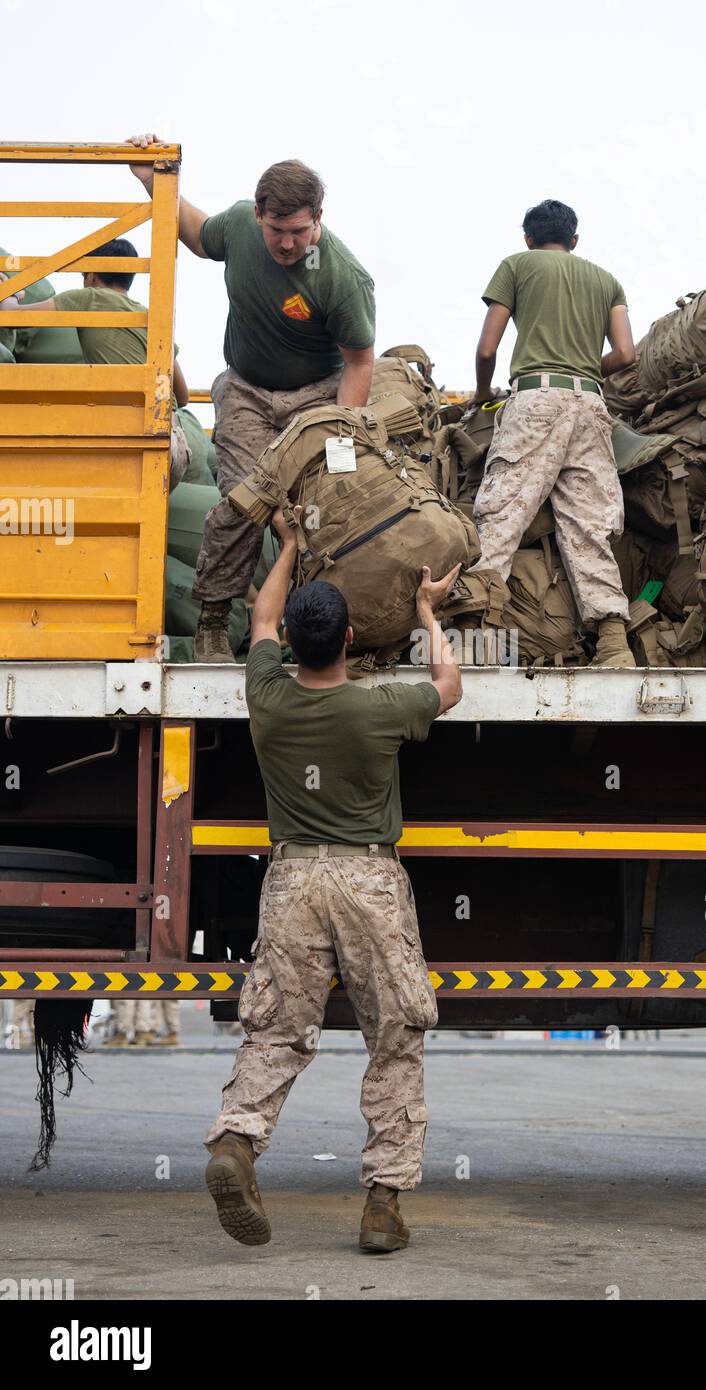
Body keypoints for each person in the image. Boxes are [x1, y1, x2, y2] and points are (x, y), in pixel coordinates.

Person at [202, 508, 462, 1253]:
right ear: (349, 639)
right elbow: (448, 685)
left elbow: (257, 615)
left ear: (290, 640)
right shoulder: (380, 707)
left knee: (277, 1030)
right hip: (367, 880)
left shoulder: (269, 698)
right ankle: (383, 1204)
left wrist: (285, 545)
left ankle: (238, 1144)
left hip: (290, 881)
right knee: (395, 1036)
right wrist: (426, 613)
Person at [127, 135, 377, 663]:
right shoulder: (239, 227)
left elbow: (359, 362)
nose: (287, 245)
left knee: (319, 513)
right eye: (276, 231)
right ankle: (214, 623)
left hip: (317, 397)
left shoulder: (342, 278)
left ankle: (314, 631)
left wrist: (340, 437)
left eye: (299, 232)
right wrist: (149, 176)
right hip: (245, 390)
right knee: (242, 503)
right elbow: (194, 233)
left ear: (319, 219)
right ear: (258, 213)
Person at [471, 198, 638, 666]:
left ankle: (477, 632)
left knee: (502, 512)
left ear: (528, 238)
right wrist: (586, 369)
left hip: (536, 400)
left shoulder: (516, 264)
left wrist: (484, 393)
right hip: (589, 403)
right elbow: (626, 353)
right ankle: (612, 642)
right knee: (590, 522)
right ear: (575, 240)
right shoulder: (606, 279)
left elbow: (487, 348)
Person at [0, 238, 191, 486]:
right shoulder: (150, 317)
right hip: (173, 446)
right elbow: (183, 397)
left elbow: (11, 316)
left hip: (132, 435)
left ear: (91, 275)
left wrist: (12, 291)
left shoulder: (89, 298)